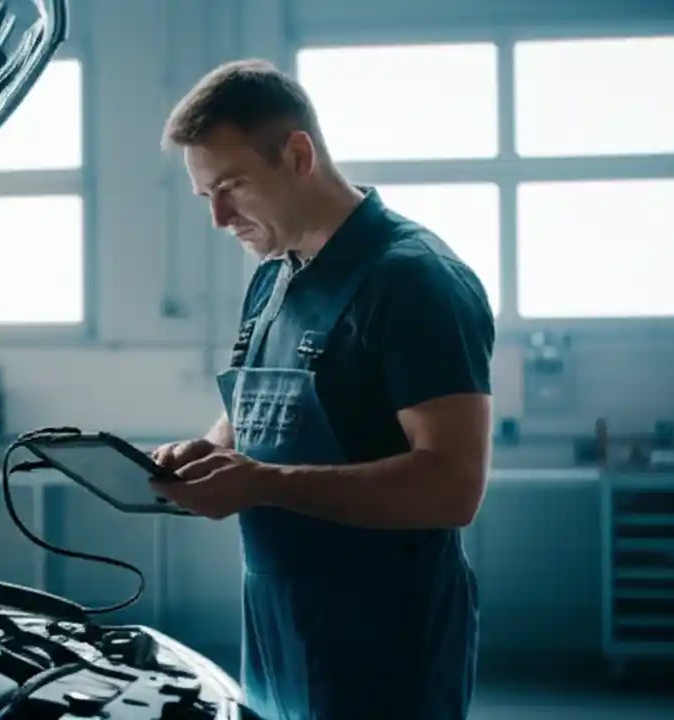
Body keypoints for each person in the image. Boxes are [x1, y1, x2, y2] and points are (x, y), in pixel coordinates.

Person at [149, 58, 495, 720]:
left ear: (298, 154)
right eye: (204, 197)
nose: (219, 218)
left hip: (385, 632)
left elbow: (454, 486)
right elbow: (253, 414)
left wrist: (265, 482)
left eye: (233, 186)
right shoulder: (275, 273)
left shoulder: (415, 280)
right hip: (278, 622)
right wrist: (203, 453)